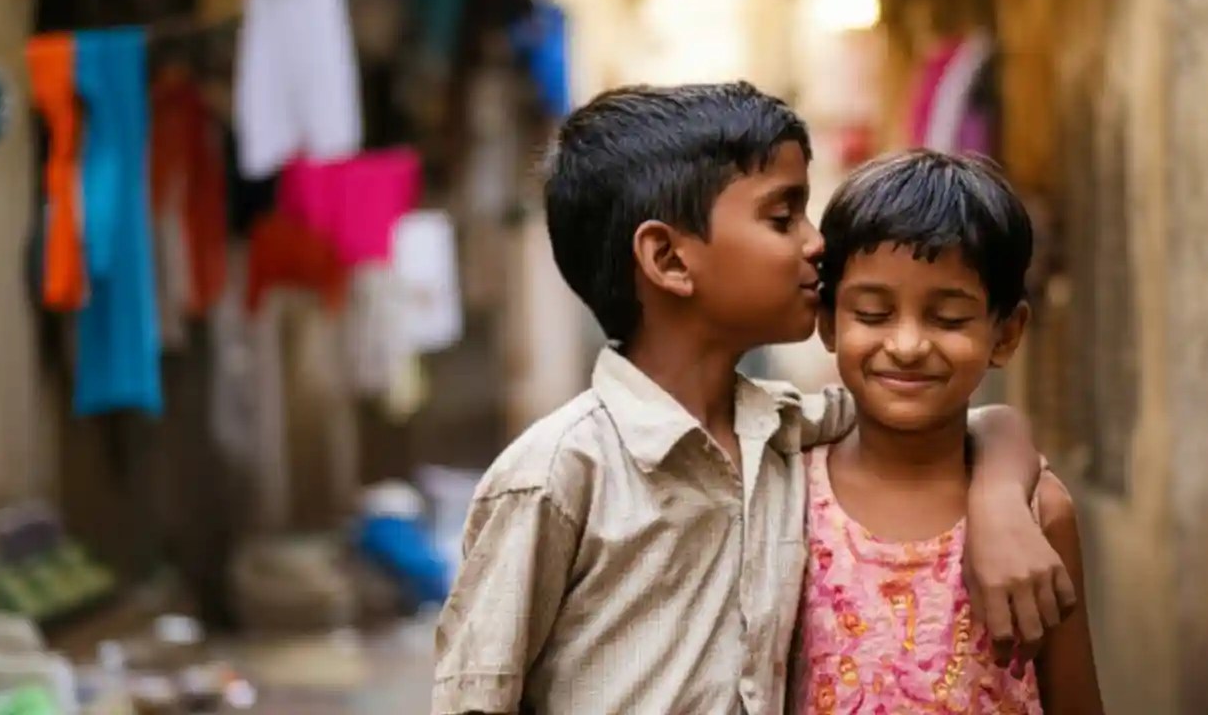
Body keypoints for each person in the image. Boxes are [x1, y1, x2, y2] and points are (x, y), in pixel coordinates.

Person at [433, 84, 1071, 715]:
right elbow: (475, 695)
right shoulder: (558, 475)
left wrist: (1000, 501)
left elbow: (960, 418)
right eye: (783, 217)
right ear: (668, 259)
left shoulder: (785, 433)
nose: (817, 244)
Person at [794, 150, 1103, 713]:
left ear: (1007, 334)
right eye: (872, 313)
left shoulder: (1041, 515)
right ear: (827, 321)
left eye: (949, 319)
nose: (908, 346)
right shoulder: (787, 503)